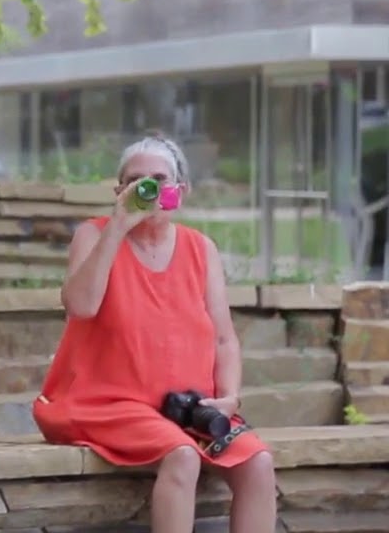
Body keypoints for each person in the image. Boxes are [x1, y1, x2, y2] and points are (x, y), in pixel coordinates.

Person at [32, 135, 277, 533]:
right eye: (136, 181)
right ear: (119, 190)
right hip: (106, 402)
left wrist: (229, 397)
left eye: (160, 179)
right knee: (181, 454)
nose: (148, 189)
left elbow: (224, 339)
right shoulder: (94, 236)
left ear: (181, 190)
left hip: (185, 408)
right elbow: (81, 306)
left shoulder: (201, 248)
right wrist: (119, 225)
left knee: (258, 462)